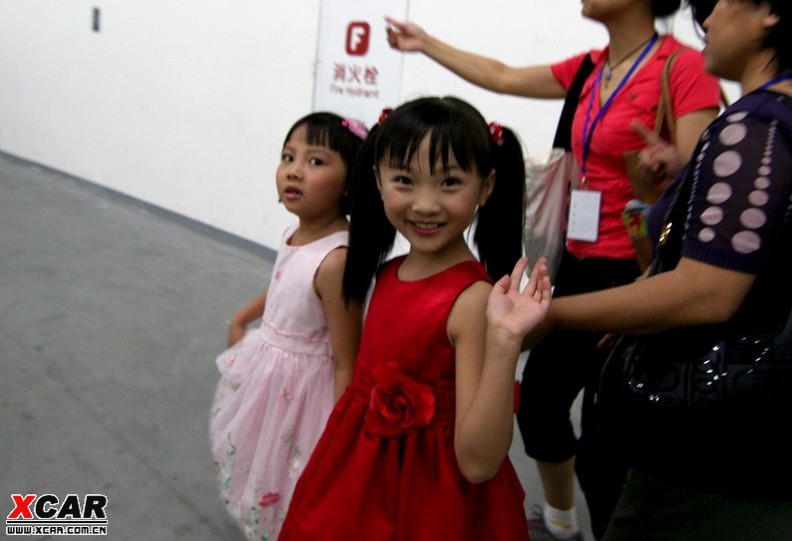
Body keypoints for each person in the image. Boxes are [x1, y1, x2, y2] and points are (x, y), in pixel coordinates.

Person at [385, 3, 722, 539]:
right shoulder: (591, 67)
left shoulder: (679, 67)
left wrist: (676, 163)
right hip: (577, 263)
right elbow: (501, 76)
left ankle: (608, 525)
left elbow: (705, 170)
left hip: (638, 272)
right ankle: (563, 520)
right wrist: (425, 43)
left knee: (607, 440)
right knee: (538, 405)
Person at [524, 0, 792, 539]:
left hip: (717, 449)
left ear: (768, 11)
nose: (708, 22)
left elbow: (706, 291)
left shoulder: (756, 122)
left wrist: (549, 315)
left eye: (717, 5)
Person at [278, 96, 552, 540]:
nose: (425, 204)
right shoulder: (387, 272)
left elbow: (479, 463)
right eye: (405, 180)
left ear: (486, 187)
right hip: (356, 481)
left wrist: (503, 340)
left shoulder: (471, 300)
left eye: (449, 183)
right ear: (378, 180)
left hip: (430, 502)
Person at [209, 112, 366, 541]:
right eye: (288, 156)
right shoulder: (295, 234)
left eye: (316, 161)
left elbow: (346, 358)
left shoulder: (337, 260)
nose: (294, 170)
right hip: (271, 373)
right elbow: (284, 283)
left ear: (350, 182)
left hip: (305, 394)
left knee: (296, 475)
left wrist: (340, 436)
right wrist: (245, 316)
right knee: (263, 467)